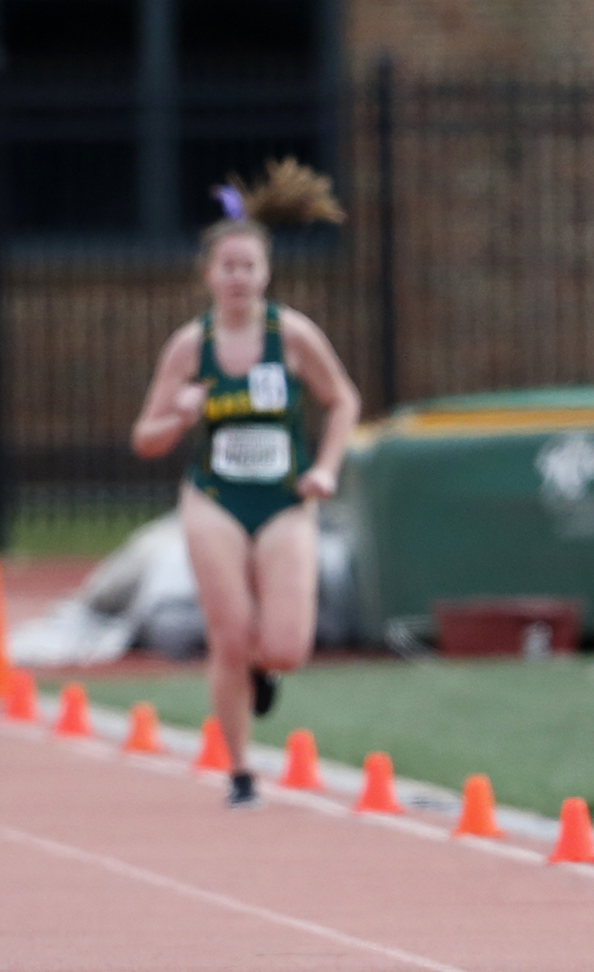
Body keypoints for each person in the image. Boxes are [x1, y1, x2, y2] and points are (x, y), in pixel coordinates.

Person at [132, 160, 362, 809]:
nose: (237, 277)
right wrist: (178, 416)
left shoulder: (292, 336)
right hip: (215, 498)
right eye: (226, 267)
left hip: (285, 498)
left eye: (249, 266)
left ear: (266, 273)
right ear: (208, 275)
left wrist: (326, 467)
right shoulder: (190, 347)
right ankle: (238, 770)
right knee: (230, 635)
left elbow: (343, 400)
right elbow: (144, 437)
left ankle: (266, 671)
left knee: (285, 646)